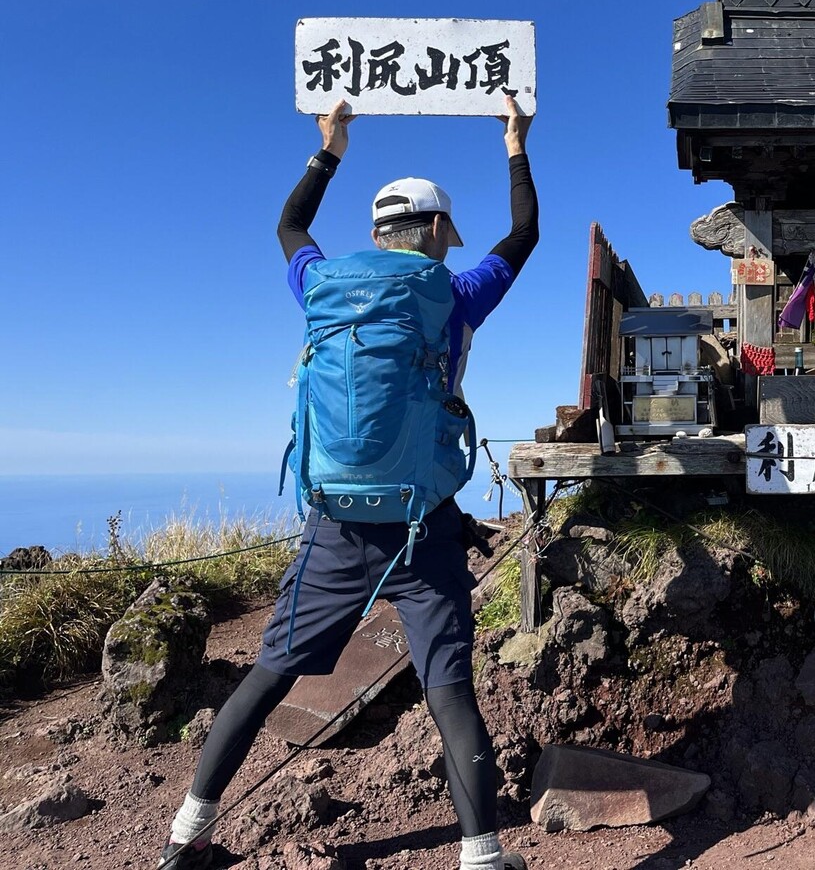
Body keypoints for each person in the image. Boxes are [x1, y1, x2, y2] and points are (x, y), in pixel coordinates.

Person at [157, 97, 538, 870]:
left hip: (333, 523)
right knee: (449, 687)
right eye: (446, 233)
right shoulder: (455, 298)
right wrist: (514, 145)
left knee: (268, 675)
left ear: (374, 234)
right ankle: (482, 857)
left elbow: (289, 228)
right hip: (421, 524)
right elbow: (524, 235)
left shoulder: (321, 285)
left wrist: (328, 148)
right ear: (433, 232)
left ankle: (185, 837)